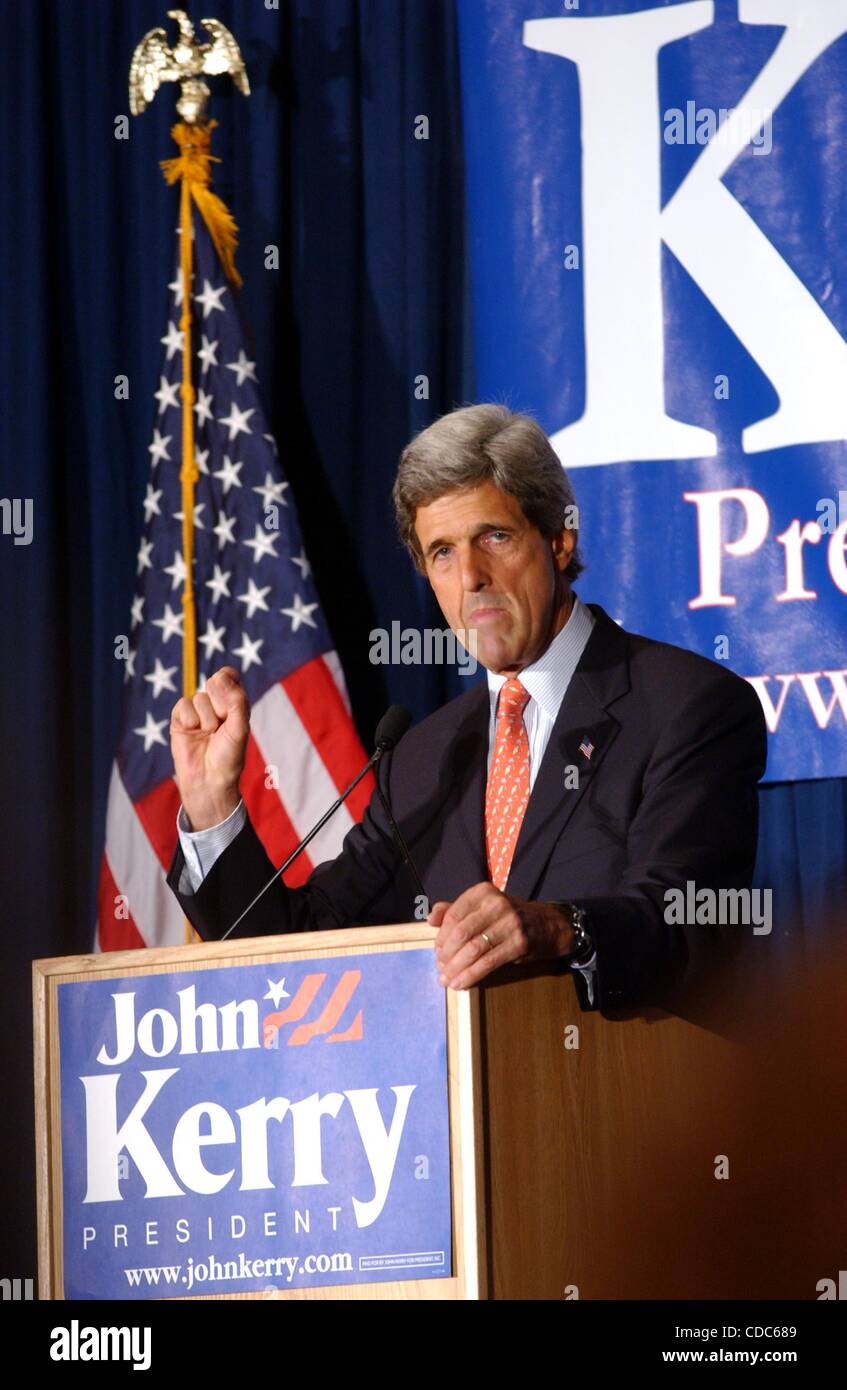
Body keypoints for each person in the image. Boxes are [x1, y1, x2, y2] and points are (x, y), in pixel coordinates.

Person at [167, 404, 767, 1011]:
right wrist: (213, 806)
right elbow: (299, 956)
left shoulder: (687, 706)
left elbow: (692, 922)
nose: (471, 576)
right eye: (442, 553)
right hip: (459, 1100)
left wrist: (559, 928)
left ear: (559, 541)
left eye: (495, 537)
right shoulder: (420, 759)